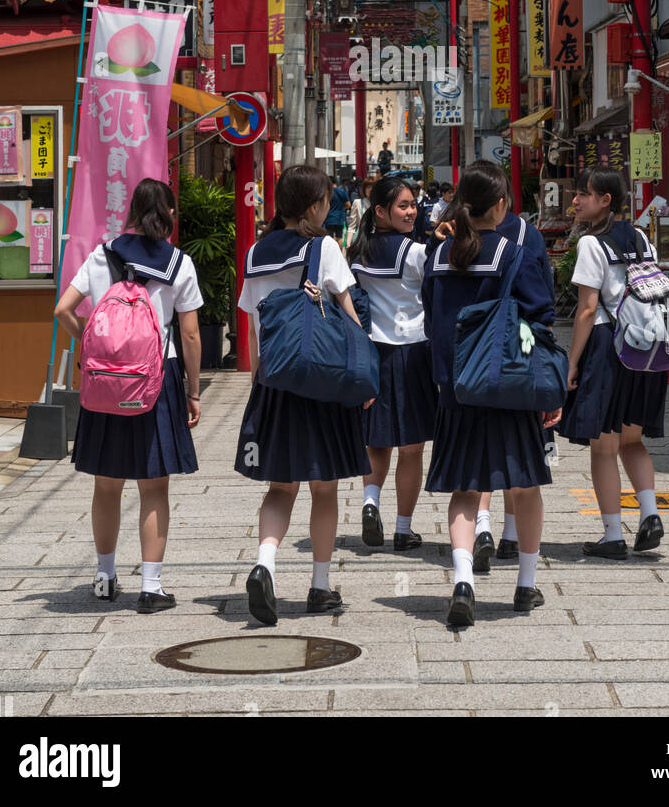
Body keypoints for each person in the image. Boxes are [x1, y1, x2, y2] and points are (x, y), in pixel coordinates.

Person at [54, 178, 202, 612]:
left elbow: (62, 308)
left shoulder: (102, 254)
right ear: (170, 216)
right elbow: (191, 335)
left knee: (106, 484)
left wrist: (92, 342)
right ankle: (151, 587)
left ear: (132, 214)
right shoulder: (179, 263)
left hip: (105, 382)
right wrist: (193, 392)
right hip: (158, 378)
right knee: (154, 486)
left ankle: (103, 577)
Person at [422, 163, 561, 627]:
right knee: (524, 485)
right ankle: (525, 584)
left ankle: (464, 580)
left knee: (465, 487)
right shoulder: (513, 251)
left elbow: (431, 321)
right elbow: (540, 317)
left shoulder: (439, 256)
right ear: (500, 206)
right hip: (507, 384)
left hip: (456, 388)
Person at [234, 165, 372, 625]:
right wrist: (364, 379)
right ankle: (318, 585)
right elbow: (349, 317)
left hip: (275, 383)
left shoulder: (256, 253)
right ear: (313, 206)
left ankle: (265, 563)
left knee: (280, 487)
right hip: (322, 385)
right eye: (327, 201)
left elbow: (253, 328)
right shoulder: (324, 248)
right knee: (325, 489)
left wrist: (258, 385)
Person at [559, 169, 667, 559]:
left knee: (603, 448)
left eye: (583, 194)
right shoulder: (640, 237)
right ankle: (650, 514)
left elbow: (587, 310)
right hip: (646, 346)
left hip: (609, 346)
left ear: (605, 200)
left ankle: (612, 535)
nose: (575, 201)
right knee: (632, 440)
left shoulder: (592, 244)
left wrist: (571, 363)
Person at [348, 177, 435, 553]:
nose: (412, 210)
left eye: (413, 204)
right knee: (411, 447)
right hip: (412, 352)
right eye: (403, 205)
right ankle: (403, 528)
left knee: (376, 442)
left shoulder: (357, 251)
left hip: (374, 355)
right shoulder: (415, 253)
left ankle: (370, 502)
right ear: (381, 211)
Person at [323, 175, 351, 241]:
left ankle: (331, 251)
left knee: (329, 239)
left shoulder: (326, 193)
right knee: (339, 237)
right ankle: (339, 251)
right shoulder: (341, 191)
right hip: (339, 218)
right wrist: (342, 208)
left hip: (329, 218)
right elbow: (349, 204)